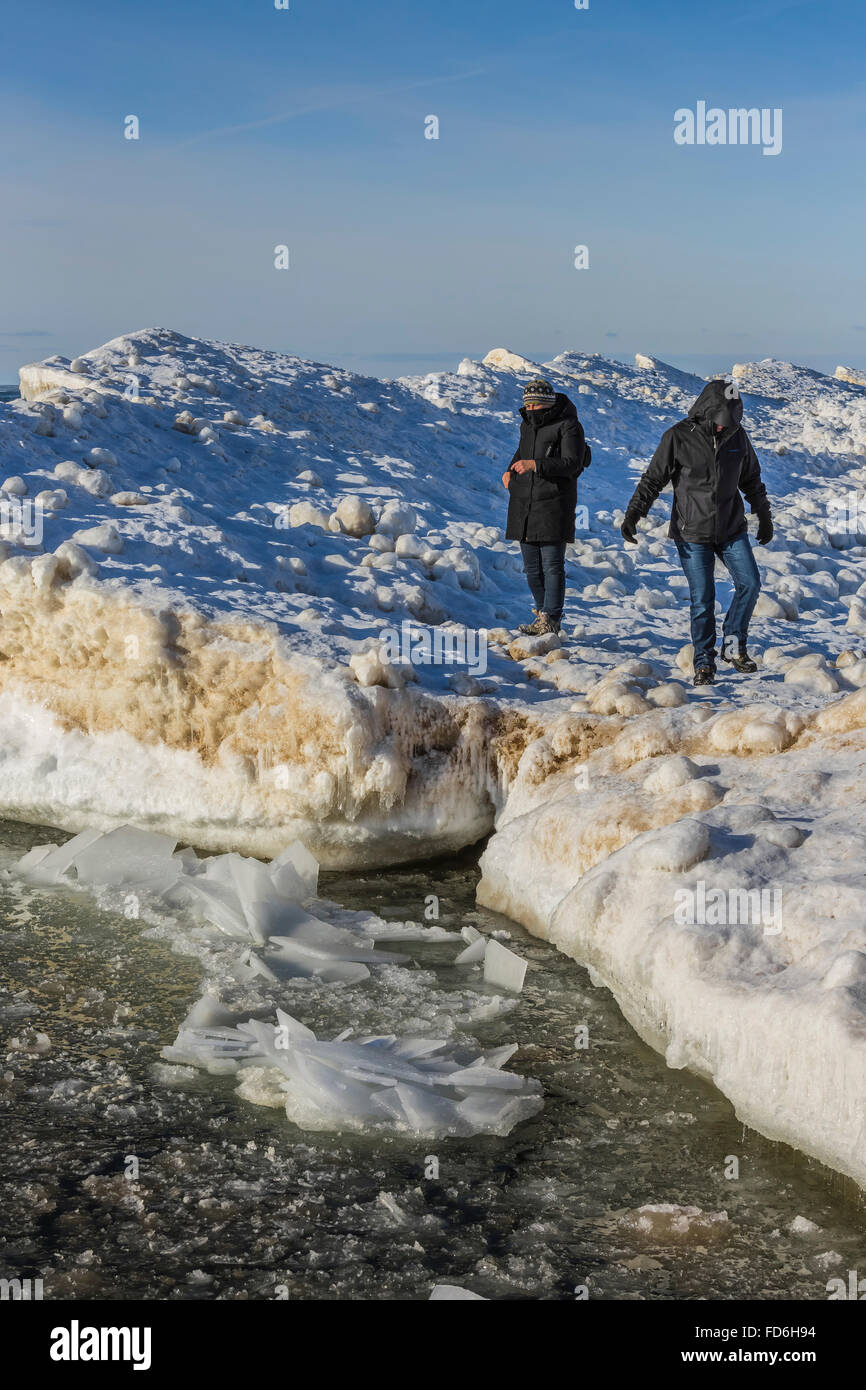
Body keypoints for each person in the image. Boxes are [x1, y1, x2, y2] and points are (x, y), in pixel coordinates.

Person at [620, 378, 772, 685]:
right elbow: (653, 480)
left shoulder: (738, 437)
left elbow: (752, 480)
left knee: (751, 583)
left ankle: (733, 646)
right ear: (706, 411)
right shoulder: (678, 437)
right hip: (692, 532)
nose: (723, 427)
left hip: (731, 528)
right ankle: (704, 663)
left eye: (729, 420)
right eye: (719, 420)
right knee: (703, 599)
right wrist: (634, 514)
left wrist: (764, 515)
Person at [502, 377, 588, 635]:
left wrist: (536, 465)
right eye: (527, 406)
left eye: (535, 406)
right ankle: (542, 615)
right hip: (524, 503)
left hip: (554, 503)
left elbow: (573, 463)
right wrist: (509, 471)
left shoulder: (569, 425)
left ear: (547, 404)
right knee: (531, 568)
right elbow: (521, 453)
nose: (530, 410)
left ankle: (551, 616)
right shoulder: (527, 425)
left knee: (552, 565)